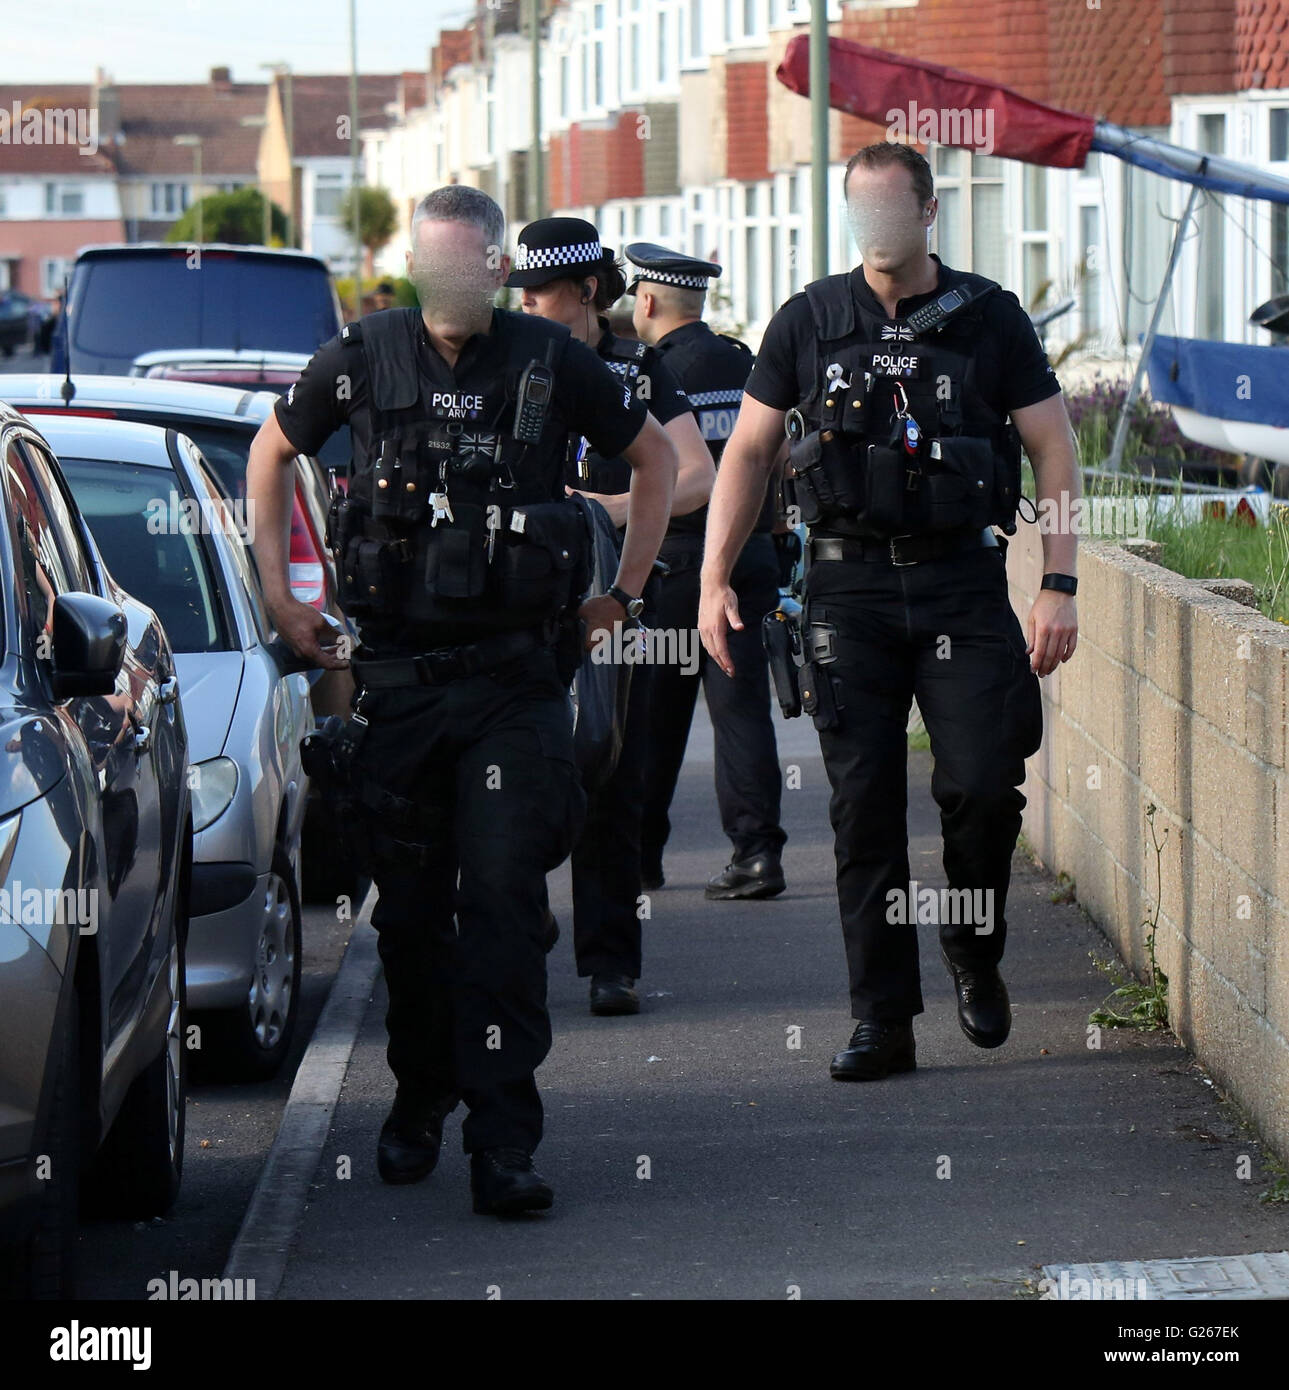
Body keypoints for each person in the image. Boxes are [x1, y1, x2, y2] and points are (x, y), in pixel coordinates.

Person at [246, 186, 676, 1215]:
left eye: (462, 267)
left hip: (513, 686)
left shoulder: (548, 358)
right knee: (410, 924)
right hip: (398, 687)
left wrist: (621, 593)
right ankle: (420, 1089)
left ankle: (503, 1140)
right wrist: (281, 597)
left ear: (494, 268)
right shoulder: (362, 353)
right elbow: (271, 453)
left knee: (500, 908)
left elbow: (655, 458)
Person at [699, 141, 1080, 1082]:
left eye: (887, 211)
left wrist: (1058, 582)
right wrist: (712, 580)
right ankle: (882, 1020)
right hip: (846, 591)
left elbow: (1054, 447)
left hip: (959, 581)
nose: (873, 231)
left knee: (983, 788)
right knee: (863, 812)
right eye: (857, 213)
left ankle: (972, 948)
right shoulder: (809, 319)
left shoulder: (988, 318)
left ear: (927, 211)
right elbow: (746, 454)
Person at [508, 217, 716, 1016]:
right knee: (515, 775)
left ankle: (610, 964)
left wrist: (612, 509)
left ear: (586, 291)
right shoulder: (506, 361)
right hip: (519, 604)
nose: (523, 303)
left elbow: (696, 475)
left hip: (613, 604)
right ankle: (518, 938)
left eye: (538, 291)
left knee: (611, 775)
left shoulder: (637, 370)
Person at [626, 242, 788, 900]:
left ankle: (640, 859)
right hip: (748, 557)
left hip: (674, 565)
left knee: (651, 721)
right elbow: (772, 456)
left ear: (646, 300)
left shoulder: (650, 374)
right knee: (741, 710)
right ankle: (756, 854)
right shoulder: (740, 361)